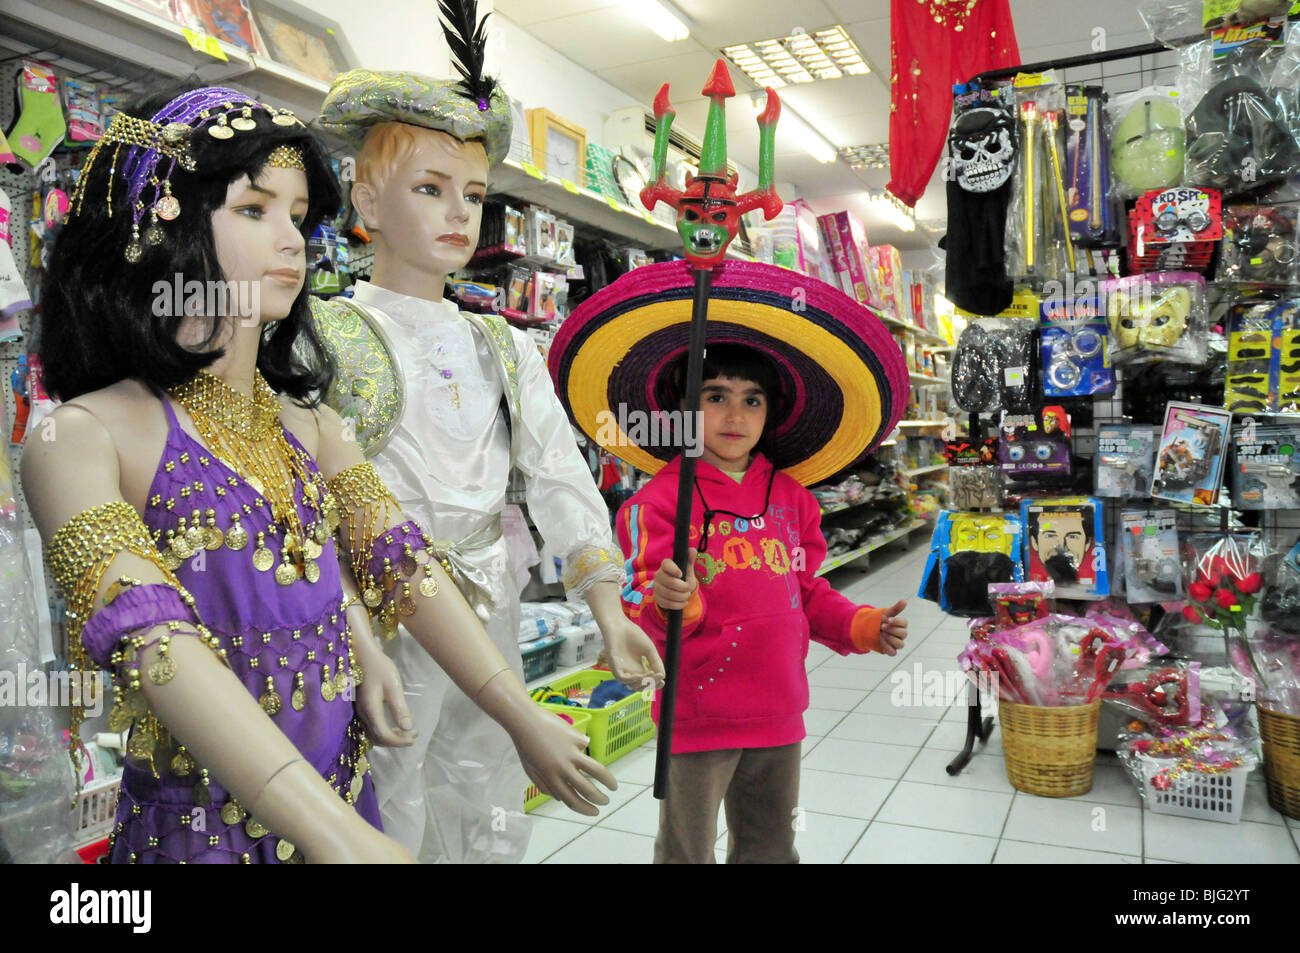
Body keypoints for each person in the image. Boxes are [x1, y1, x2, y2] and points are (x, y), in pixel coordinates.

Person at [24, 85, 612, 864]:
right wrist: (339, 839)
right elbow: (156, 642)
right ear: (161, 222)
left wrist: (517, 712)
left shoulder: (314, 427)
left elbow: (409, 571)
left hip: (346, 795)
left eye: (298, 216)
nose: (292, 240)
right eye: (254, 209)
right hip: (205, 835)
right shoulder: (81, 435)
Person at [310, 3, 662, 864]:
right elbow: (308, 503)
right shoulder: (322, 335)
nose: (459, 214)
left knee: (490, 800)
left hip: (492, 600)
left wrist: (607, 609)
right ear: (364, 196)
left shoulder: (503, 344)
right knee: (384, 803)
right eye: (429, 188)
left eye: (472, 193)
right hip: (378, 611)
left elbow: (558, 476)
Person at [615, 343, 909, 863]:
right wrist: (666, 601)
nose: (735, 415)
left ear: (770, 412)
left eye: (752, 400)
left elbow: (805, 589)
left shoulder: (792, 498)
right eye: (715, 396)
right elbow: (637, 602)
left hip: (777, 705)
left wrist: (860, 625)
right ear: (682, 410)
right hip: (698, 712)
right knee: (687, 849)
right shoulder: (657, 503)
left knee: (771, 846)